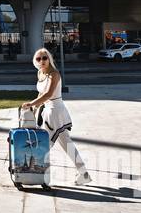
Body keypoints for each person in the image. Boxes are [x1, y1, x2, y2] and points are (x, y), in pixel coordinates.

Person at [20, 48, 92, 186]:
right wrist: (35, 107)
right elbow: (41, 95)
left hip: (55, 111)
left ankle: (36, 172)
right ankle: (83, 173)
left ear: (49, 59)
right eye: (38, 59)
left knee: (44, 144)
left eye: (44, 58)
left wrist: (31, 103)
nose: (42, 61)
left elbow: (48, 94)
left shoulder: (54, 74)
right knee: (66, 143)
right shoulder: (40, 73)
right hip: (48, 111)